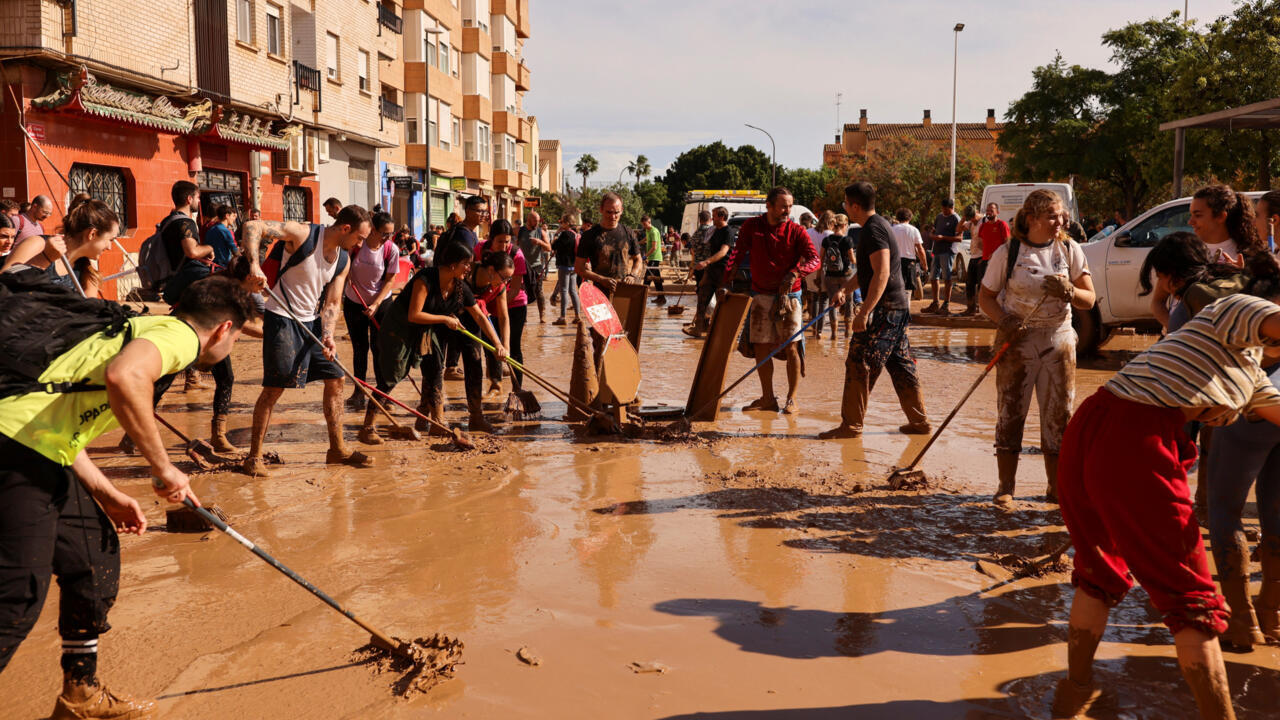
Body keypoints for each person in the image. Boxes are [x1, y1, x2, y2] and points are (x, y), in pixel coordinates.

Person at [0, 274, 253, 719]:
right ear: (223, 329)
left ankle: (81, 695)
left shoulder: (150, 329)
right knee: (17, 595)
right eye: (236, 339)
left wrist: (107, 491)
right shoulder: (179, 338)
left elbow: (52, 418)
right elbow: (125, 376)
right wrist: (163, 467)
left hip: (36, 441)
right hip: (11, 448)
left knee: (92, 555)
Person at [1053, 288, 1280, 720]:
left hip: (1099, 424)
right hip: (1134, 436)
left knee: (1098, 568)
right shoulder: (1234, 309)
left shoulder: (1250, 374)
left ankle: (1073, 694)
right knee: (1191, 600)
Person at [978, 189, 1095, 505]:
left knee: (1060, 416)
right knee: (1011, 410)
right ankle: (1006, 487)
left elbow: (1090, 298)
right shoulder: (1009, 252)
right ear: (1032, 219)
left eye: (1061, 215)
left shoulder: (1070, 250)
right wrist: (1004, 321)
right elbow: (985, 298)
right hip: (1018, 341)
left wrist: (1069, 290)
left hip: (1058, 339)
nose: (1060, 222)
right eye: (1052, 216)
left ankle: (1055, 490)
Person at [239, 206, 373, 477]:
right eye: (359, 238)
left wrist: (328, 335)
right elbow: (253, 227)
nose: (361, 244)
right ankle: (253, 457)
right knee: (274, 389)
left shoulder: (343, 259)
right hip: (282, 318)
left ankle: (336, 450)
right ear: (345, 229)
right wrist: (254, 264)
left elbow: (333, 302)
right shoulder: (304, 234)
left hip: (311, 323)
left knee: (336, 379)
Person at [819, 182, 930, 439]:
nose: (845, 208)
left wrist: (864, 312)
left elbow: (882, 273)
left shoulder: (873, 230)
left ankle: (851, 426)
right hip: (895, 308)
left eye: (846, 204)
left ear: (855, 206)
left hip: (885, 310)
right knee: (901, 365)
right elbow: (868, 272)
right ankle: (919, 422)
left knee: (858, 362)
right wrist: (845, 290)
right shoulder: (877, 225)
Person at [364, 242, 507, 438]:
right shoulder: (425, 279)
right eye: (466, 264)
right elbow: (414, 314)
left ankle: (437, 421)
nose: (469, 268)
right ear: (452, 265)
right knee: (392, 377)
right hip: (400, 330)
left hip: (427, 331)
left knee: (435, 369)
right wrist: (446, 319)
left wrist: (497, 344)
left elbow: (480, 317)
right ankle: (367, 428)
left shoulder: (459, 285)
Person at [725, 187, 819, 415]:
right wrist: (726, 283)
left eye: (790, 206)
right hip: (760, 294)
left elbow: (814, 259)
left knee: (792, 347)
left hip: (790, 297)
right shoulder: (751, 227)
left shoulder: (797, 231)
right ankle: (767, 398)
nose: (787, 210)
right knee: (761, 348)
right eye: (783, 206)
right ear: (768, 205)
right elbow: (736, 255)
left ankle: (792, 398)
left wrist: (796, 273)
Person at [342, 211, 400, 411]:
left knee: (380, 349)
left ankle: (382, 394)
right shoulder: (357, 245)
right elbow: (343, 264)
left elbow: (390, 280)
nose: (387, 238)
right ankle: (359, 392)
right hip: (354, 302)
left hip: (381, 304)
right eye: (384, 233)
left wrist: (375, 304)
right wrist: (346, 273)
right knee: (360, 349)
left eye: (391, 234)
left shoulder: (391, 250)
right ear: (373, 230)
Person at [2, 199, 119, 299]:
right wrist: (44, 258)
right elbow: (4, 285)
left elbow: (89, 313)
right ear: (92, 234)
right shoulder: (38, 245)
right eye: (110, 239)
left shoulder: (87, 270)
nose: (110, 247)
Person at [477, 219, 530, 396]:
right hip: (485, 304)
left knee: (513, 347)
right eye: (500, 241)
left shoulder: (517, 255)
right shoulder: (480, 250)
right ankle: (495, 384)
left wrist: (498, 308)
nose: (504, 245)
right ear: (491, 239)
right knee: (491, 346)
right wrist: (484, 308)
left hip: (513, 303)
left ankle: (517, 390)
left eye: (508, 241)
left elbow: (513, 288)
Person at [686, 206, 733, 338]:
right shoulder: (714, 231)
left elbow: (723, 252)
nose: (712, 219)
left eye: (715, 216)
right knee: (702, 298)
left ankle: (722, 333)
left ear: (722, 217)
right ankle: (699, 329)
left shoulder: (728, 232)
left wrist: (706, 262)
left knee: (722, 303)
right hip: (711, 271)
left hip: (723, 271)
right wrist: (706, 272)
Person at [814, 214, 857, 340]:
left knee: (833, 303)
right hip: (846, 276)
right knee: (848, 302)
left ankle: (834, 333)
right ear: (844, 225)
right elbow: (852, 260)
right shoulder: (847, 240)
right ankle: (848, 332)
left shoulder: (826, 240)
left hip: (830, 276)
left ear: (833, 225)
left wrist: (818, 276)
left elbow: (820, 259)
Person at [925, 198, 961, 315]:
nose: (944, 212)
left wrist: (943, 238)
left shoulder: (956, 218)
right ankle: (935, 303)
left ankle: (946, 304)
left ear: (951, 208)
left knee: (947, 277)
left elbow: (959, 238)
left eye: (946, 210)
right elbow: (934, 230)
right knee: (934, 277)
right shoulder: (939, 216)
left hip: (948, 251)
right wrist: (932, 235)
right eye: (943, 209)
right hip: (937, 250)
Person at [517, 211, 552, 322]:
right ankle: (524, 317)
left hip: (536, 266)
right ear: (528, 219)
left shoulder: (540, 232)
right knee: (523, 292)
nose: (537, 223)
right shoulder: (520, 230)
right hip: (522, 265)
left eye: (538, 221)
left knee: (539, 291)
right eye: (535, 221)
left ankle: (542, 316)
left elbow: (549, 248)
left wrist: (540, 242)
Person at [551, 212, 581, 326]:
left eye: (562, 222)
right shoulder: (575, 234)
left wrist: (556, 234)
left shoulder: (565, 235)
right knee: (573, 291)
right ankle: (577, 316)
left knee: (563, 291)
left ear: (567, 223)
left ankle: (562, 317)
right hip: (574, 266)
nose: (561, 224)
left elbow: (553, 246)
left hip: (564, 265)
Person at [890, 208, 927, 299]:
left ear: (898, 217)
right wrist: (924, 264)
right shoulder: (914, 230)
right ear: (910, 218)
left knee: (896, 288)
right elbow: (920, 249)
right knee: (907, 290)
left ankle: (898, 310)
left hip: (895, 262)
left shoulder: (891, 230)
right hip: (909, 262)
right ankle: (906, 310)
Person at [959, 204, 983, 316]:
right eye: (970, 218)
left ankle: (982, 309)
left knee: (981, 285)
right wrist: (964, 218)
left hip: (983, 256)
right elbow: (958, 229)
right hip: (973, 256)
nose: (973, 220)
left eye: (973, 217)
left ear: (977, 212)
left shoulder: (984, 221)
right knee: (969, 284)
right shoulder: (970, 222)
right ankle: (971, 308)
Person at [640, 215, 667, 304]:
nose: (644, 226)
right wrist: (638, 242)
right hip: (652, 257)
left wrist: (645, 256)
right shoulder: (648, 231)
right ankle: (661, 297)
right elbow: (647, 238)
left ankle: (641, 299)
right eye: (643, 225)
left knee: (647, 278)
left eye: (645, 224)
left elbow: (654, 247)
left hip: (654, 258)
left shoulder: (654, 231)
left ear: (649, 222)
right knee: (656, 279)